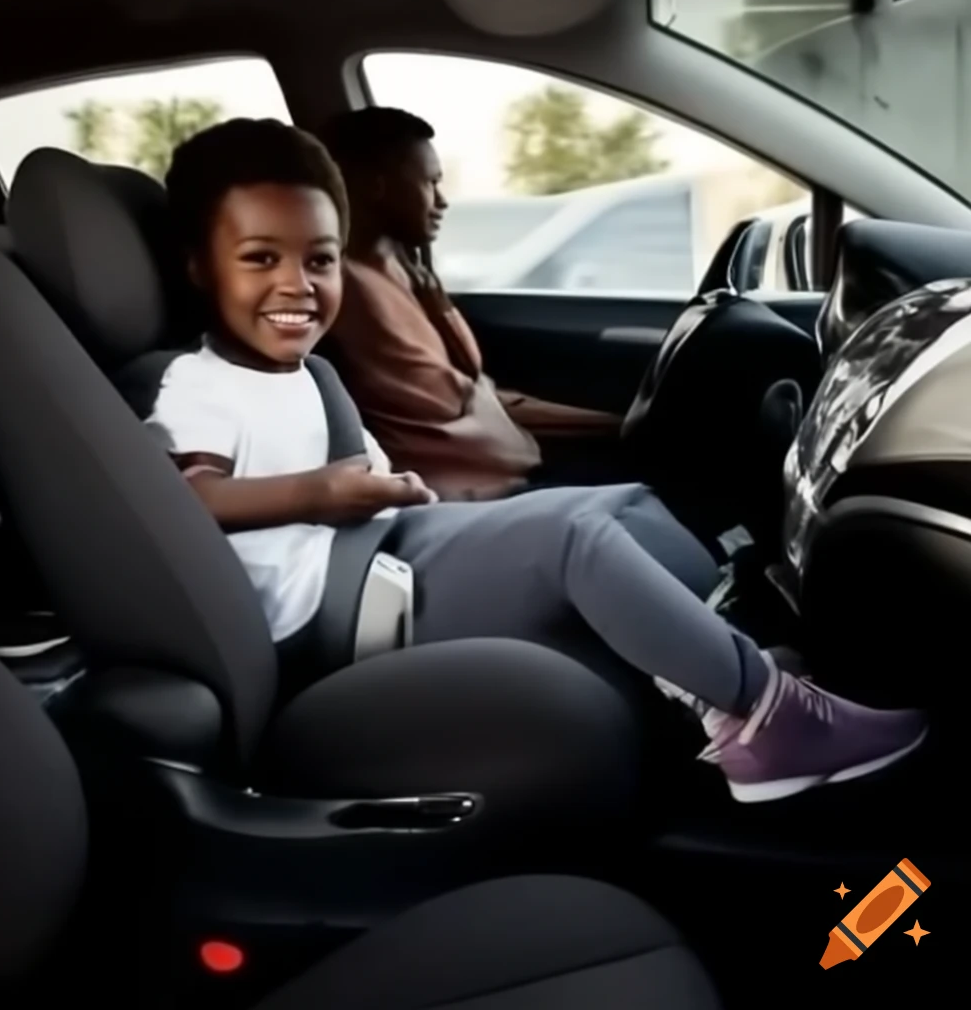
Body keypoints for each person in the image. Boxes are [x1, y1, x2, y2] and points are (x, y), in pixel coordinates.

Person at [147, 118, 927, 805]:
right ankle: (770, 731)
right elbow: (190, 499)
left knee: (620, 504)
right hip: (340, 608)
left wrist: (387, 490)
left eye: (318, 261)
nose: (297, 284)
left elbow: (369, 481)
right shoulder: (193, 385)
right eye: (260, 259)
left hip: (382, 550)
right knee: (576, 542)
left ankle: (731, 663)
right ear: (197, 269)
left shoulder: (311, 375)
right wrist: (324, 492)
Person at [318, 106, 622, 501]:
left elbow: (478, 390)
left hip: (516, 472)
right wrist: (622, 426)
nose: (442, 201)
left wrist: (620, 424)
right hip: (476, 498)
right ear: (376, 186)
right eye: (430, 183)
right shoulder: (348, 291)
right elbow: (457, 401)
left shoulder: (404, 269)